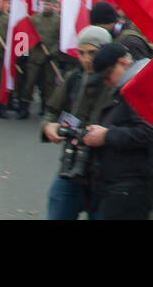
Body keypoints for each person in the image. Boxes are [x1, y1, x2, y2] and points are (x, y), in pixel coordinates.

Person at [83, 43, 153, 219]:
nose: (107, 83)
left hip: (132, 184)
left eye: (107, 76)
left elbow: (149, 132)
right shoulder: (129, 85)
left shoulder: (139, 87)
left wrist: (106, 135)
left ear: (123, 63)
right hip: (123, 182)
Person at [40, 25, 114, 220]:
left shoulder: (118, 84)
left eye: (92, 53)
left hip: (105, 172)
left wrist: (106, 135)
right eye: (81, 53)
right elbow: (52, 111)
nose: (86, 59)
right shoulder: (74, 77)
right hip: (71, 167)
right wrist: (49, 126)